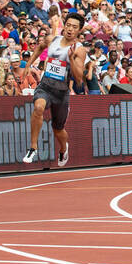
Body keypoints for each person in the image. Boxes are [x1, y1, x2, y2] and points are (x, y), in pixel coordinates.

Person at [19, 13, 86, 165]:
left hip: (61, 93)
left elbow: (79, 78)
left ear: (79, 31)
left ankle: (63, 149)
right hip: (45, 86)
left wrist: (70, 59)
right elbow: (40, 47)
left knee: (58, 129)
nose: (70, 29)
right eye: (68, 25)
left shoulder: (79, 50)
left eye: (74, 27)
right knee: (38, 107)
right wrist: (29, 64)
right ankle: (33, 147)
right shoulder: (52, 39)